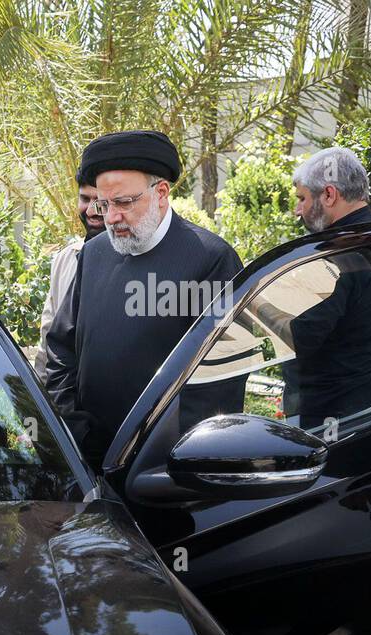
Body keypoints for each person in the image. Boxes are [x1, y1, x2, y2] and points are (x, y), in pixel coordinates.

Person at [43, 130, 242, 468]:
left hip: (164, 470)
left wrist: (166, 459)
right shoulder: (93, 252)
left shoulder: (211, 260)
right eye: (104, 205)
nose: (111, 217)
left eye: (123, 203)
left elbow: (218, 383)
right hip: (87, 460)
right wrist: (75, 433)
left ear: (161, 193)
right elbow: (61, 350)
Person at [261, 146, 371, 429]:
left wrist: (258, 303)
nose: (297, 210)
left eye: (302, 198)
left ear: (329, 195)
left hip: (333, 422)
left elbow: (299, 335)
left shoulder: (335, 255)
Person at [33, 172, 105, 385]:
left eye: (100, 202)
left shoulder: (134, 263)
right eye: (85, 199)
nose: (92, 210)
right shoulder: (64, 260)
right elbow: (49, 336)